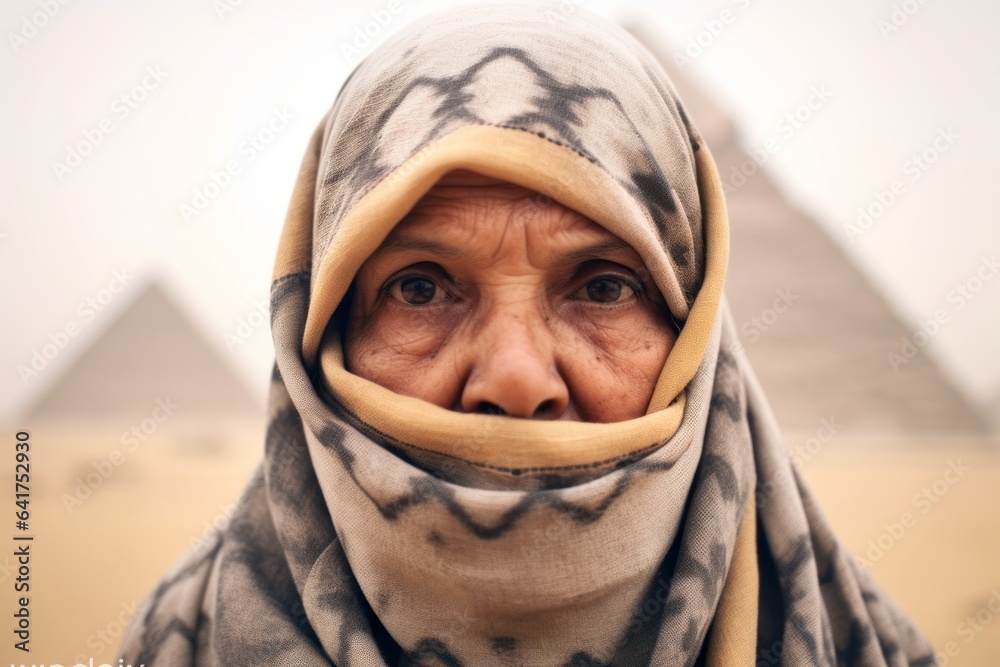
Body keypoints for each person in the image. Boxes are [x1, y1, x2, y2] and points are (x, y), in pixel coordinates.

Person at [119, 3, 936, 665]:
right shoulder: (171, 645)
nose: (514, 379)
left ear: (694, 336)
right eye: (418, 288)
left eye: (605, 287)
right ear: (321, 334)